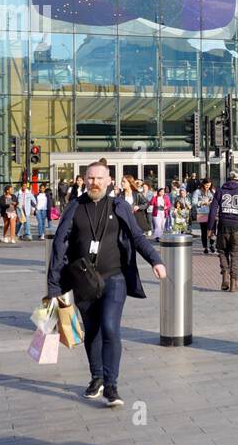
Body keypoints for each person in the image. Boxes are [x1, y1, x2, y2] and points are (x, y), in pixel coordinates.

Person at [48, 161, 166, 407]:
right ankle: (97, 377)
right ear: (84, 180)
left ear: (109, 180)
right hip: (83, 280)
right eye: (90, 178)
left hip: (115, 277)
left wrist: (155, 260)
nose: (94, 183)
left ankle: (111, 386)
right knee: (91, 331)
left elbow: (136, 237)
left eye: (99, 178)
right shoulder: (74, 207)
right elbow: (59, 246)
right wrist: (54, 287)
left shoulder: (119, 206)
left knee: (110, 326)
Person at [208, 168, 238, 292]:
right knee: (236, 255)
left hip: (222, 226)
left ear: (228, 180)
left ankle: (224, 278)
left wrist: (210, 228)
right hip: (237, 227)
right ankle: (234, 283)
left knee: (222, 252)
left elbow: (212, 211)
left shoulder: (220, 191)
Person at [193, 179, 215, 254]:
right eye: (206, 185)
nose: (207, 187)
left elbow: (215, 200)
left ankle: (212, 244)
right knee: (204, 231)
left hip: (211, 213)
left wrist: (212, 202)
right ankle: (205, 247)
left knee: (212, 229)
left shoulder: (212, 191)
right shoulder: (197, 192)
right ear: (203, 184)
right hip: (202, 213)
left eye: (209, 185)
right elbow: (194, 202)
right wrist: (203, 202)